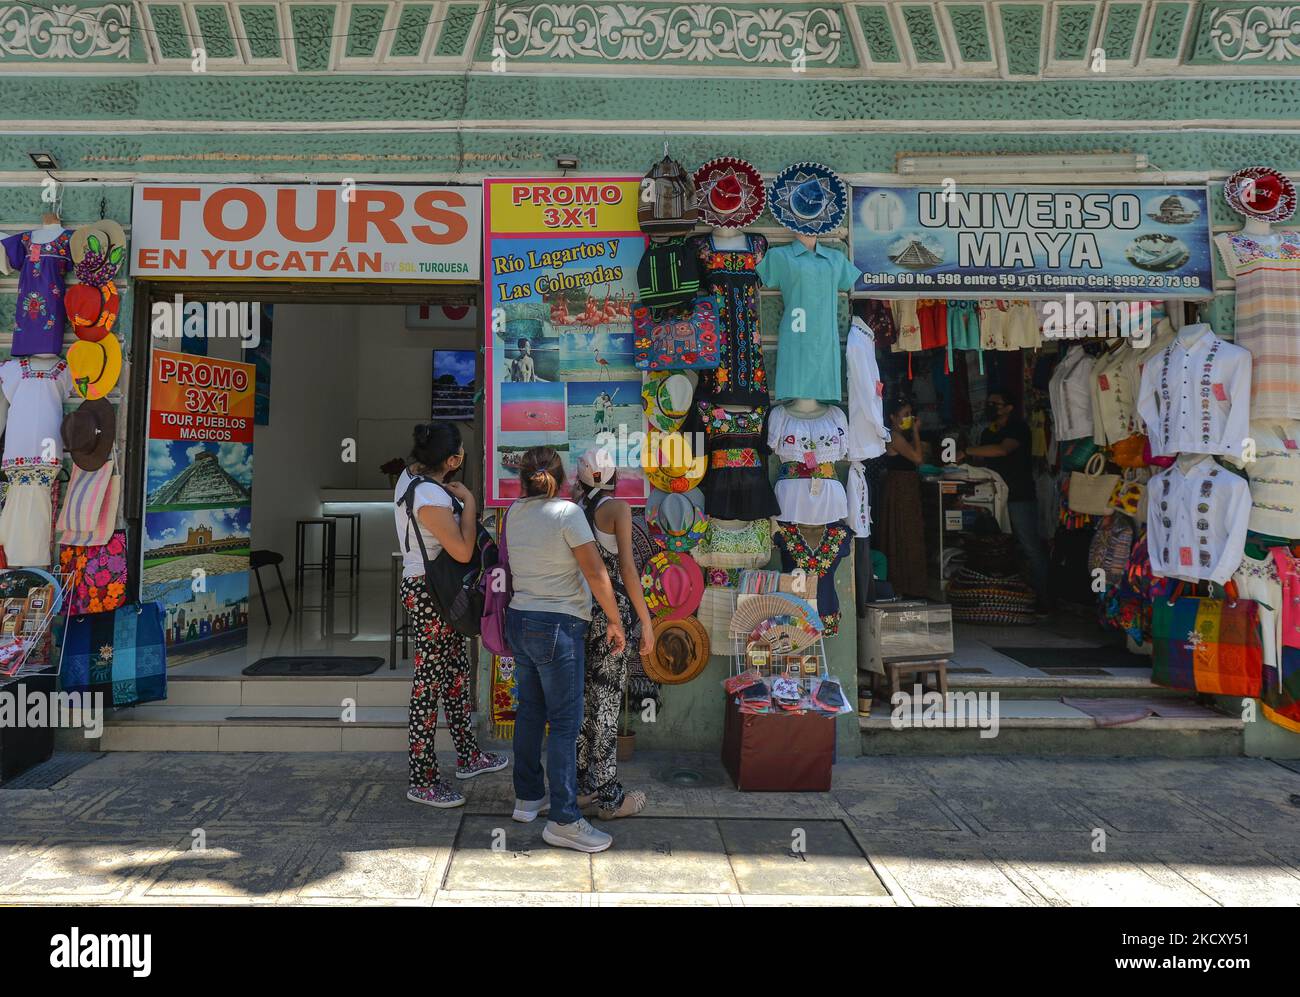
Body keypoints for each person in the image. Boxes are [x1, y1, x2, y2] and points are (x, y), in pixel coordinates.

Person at [504, 446, 628, 853]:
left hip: (520, 619)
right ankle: (564, 819)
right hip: (558, 626)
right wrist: (614, 619)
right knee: (564, 724)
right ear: (561, 478)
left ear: (524, 478)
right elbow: (595, 572)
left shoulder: (513, 512)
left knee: (530, 712)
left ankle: (527, 798)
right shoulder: (567, 514)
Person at [394, 423, 508, 808]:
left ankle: (468, 756)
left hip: (433, 590)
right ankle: (422, 778)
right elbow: (461, 552)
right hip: (430, 593)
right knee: (428, 684)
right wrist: (471, 504)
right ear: (454, 460)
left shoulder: (411, 477)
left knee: (456, 675)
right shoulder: (428, 495)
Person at [573, 448, 655, 820]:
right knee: (606, 703)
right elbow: (627, 567)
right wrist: (646, 620)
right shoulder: (618, 509)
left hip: (578, 611)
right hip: (613, 616)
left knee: (582, 700)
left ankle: (581, 787)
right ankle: (608, 797)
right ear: (613, 476)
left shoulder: (574, 509)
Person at [957, 389, 1051, 606]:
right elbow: (986, 461)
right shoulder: (988, 432)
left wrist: (968, 451)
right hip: (995, 496)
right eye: (989, 403)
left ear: (1009, 407)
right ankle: (1013, 597)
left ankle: (1044, 600)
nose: (991, 407)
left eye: (995, 404)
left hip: (1019, 495)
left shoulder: (1017, 428)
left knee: (1029, 547)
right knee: (1001, 547)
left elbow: (1002, 451)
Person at [880, 392, 928, 597]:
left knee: (909, 533)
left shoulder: (900, 437)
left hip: (906, 487)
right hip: (900, 489)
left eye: (911, 414)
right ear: (893, 417)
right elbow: (918, 458)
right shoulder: (895, 436)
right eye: (905, 414)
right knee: (903, 533)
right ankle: (904, 585)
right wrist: (916, 432)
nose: (909, 418)